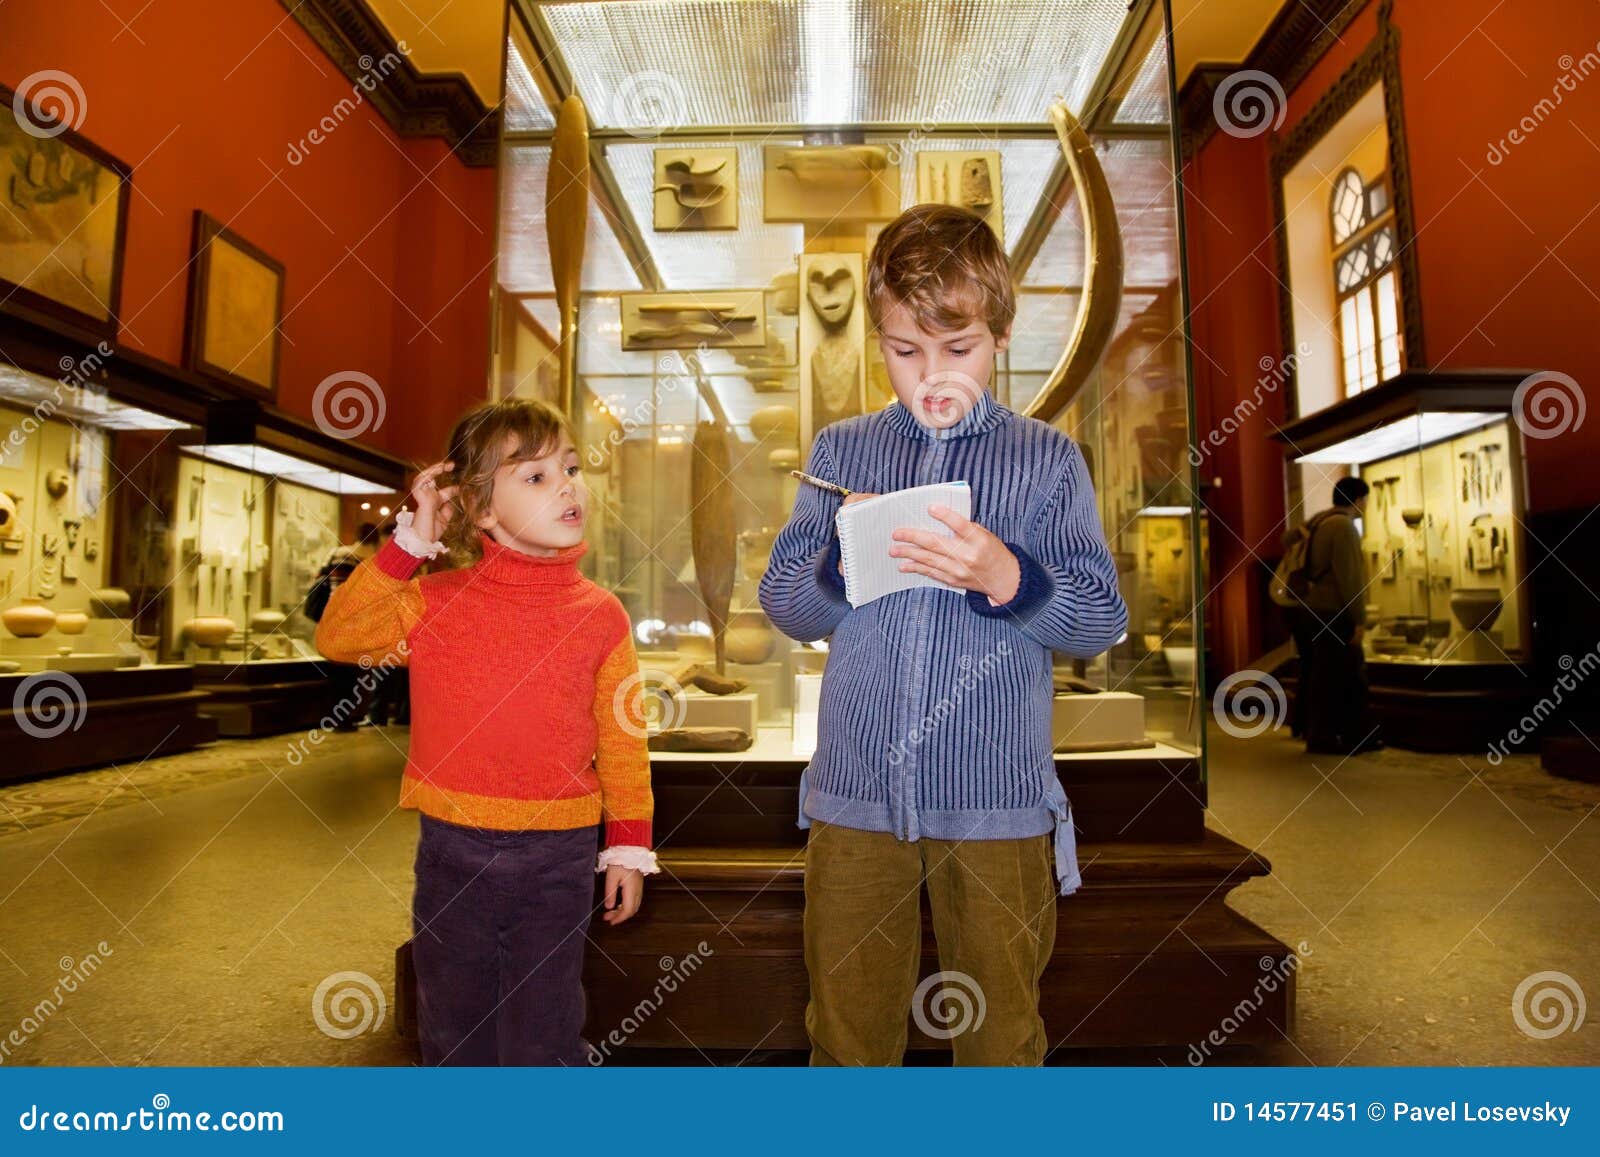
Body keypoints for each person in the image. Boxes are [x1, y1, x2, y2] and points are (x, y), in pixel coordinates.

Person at [759, 203, 1129, 1065]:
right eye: (903, 349)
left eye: (957, 349)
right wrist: (842, 566)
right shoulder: (840, 450)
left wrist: (1010, 578)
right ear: (875, 339)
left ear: (999, 334)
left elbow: (1100, 619)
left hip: (998, 799)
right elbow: (785, 604)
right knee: (847, 1035)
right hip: (854, 795)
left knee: (1001, 1035)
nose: (931, 375)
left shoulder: (1046, 459)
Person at [314, 396, 659, 1066]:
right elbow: (340, 635)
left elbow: (623, 736)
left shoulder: (601, 615)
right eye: (534, 476)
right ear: (480, 510)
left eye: (569, 466)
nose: (566, 485)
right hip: (454, 850)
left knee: (546, 1025)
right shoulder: (436, 599)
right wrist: (410, 542)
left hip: (561, 853)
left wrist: (627, 845)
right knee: (455, 1025)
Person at [1295, 475, 1383, 755]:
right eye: (1365, 500)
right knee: (1349, 676)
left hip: (1314, 608)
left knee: (1324, 675)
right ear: (1358, 500)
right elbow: (1350, 577)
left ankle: (1323, 733)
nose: (1366, 505)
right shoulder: (1343, 527)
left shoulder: (1320, 522)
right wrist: (1360, 620)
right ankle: (1352, 734)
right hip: (1335, 611)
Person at [307, 522, 379, 730]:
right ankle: (347, 716)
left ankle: (334, 717)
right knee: (352, 673)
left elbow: (318, 578)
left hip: (331, 617)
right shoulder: (370, 560)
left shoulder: (336, 553)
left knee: (335, 672)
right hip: (355, 622)